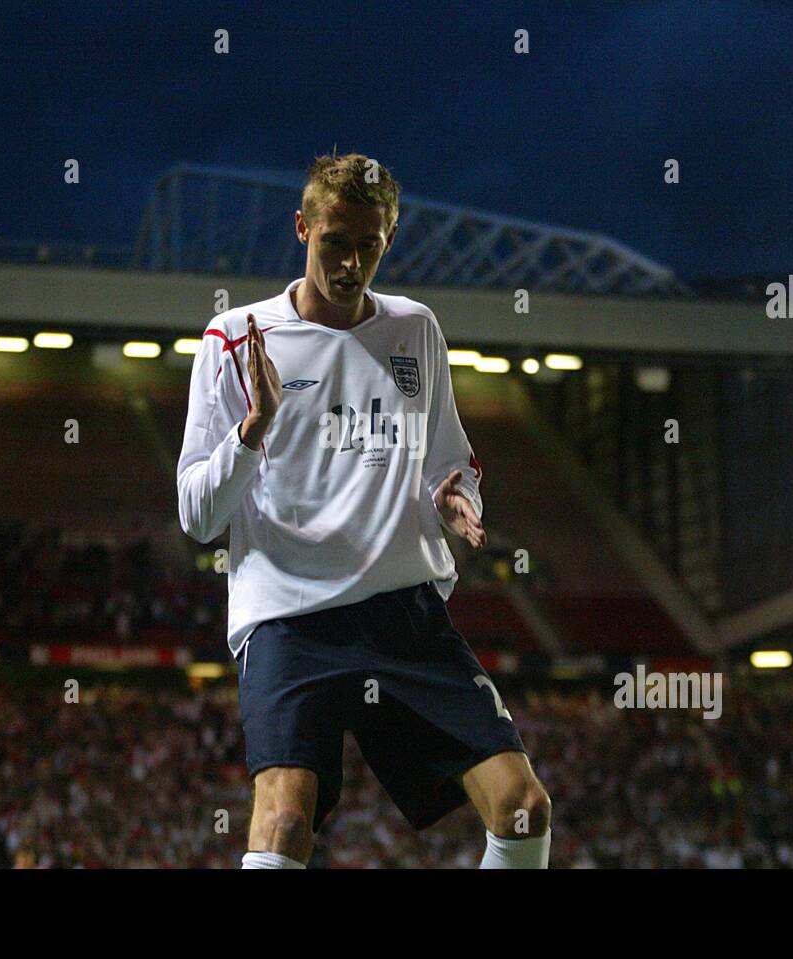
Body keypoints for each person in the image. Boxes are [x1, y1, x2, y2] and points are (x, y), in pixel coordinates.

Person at [176, 153, 551, 869]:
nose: (351, 262)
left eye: (369, 245)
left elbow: (451, 458)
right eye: (335, 242)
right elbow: (197, 513)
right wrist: (253, 429)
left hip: (403, 611)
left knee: (524, 806)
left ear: (391, 238)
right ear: (301, 228)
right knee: (285, 821)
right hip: (288, 614)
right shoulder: (235, 338)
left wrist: (455, 496)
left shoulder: (416, 331)